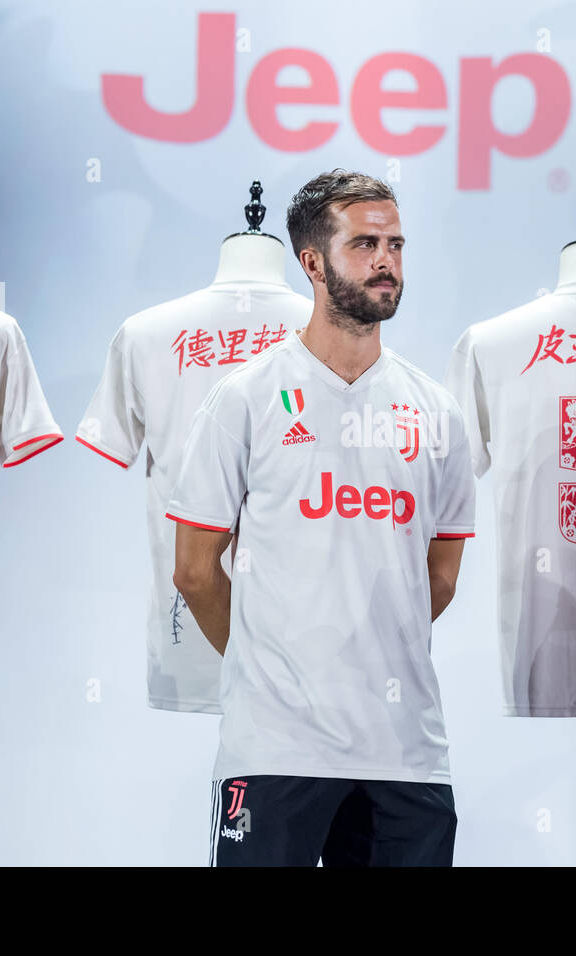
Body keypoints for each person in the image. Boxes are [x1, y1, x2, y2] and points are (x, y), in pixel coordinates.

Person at [168, 170, 476, 866]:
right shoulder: (245, 399)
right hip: (275, 750)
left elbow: (443, 573)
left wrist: (364, 655)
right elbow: (193, 571)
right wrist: (268, 661)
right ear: (311, 262)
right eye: (365, 243)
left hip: (409, 757)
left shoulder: (437, 412)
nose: (386, 261)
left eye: (396, 245)